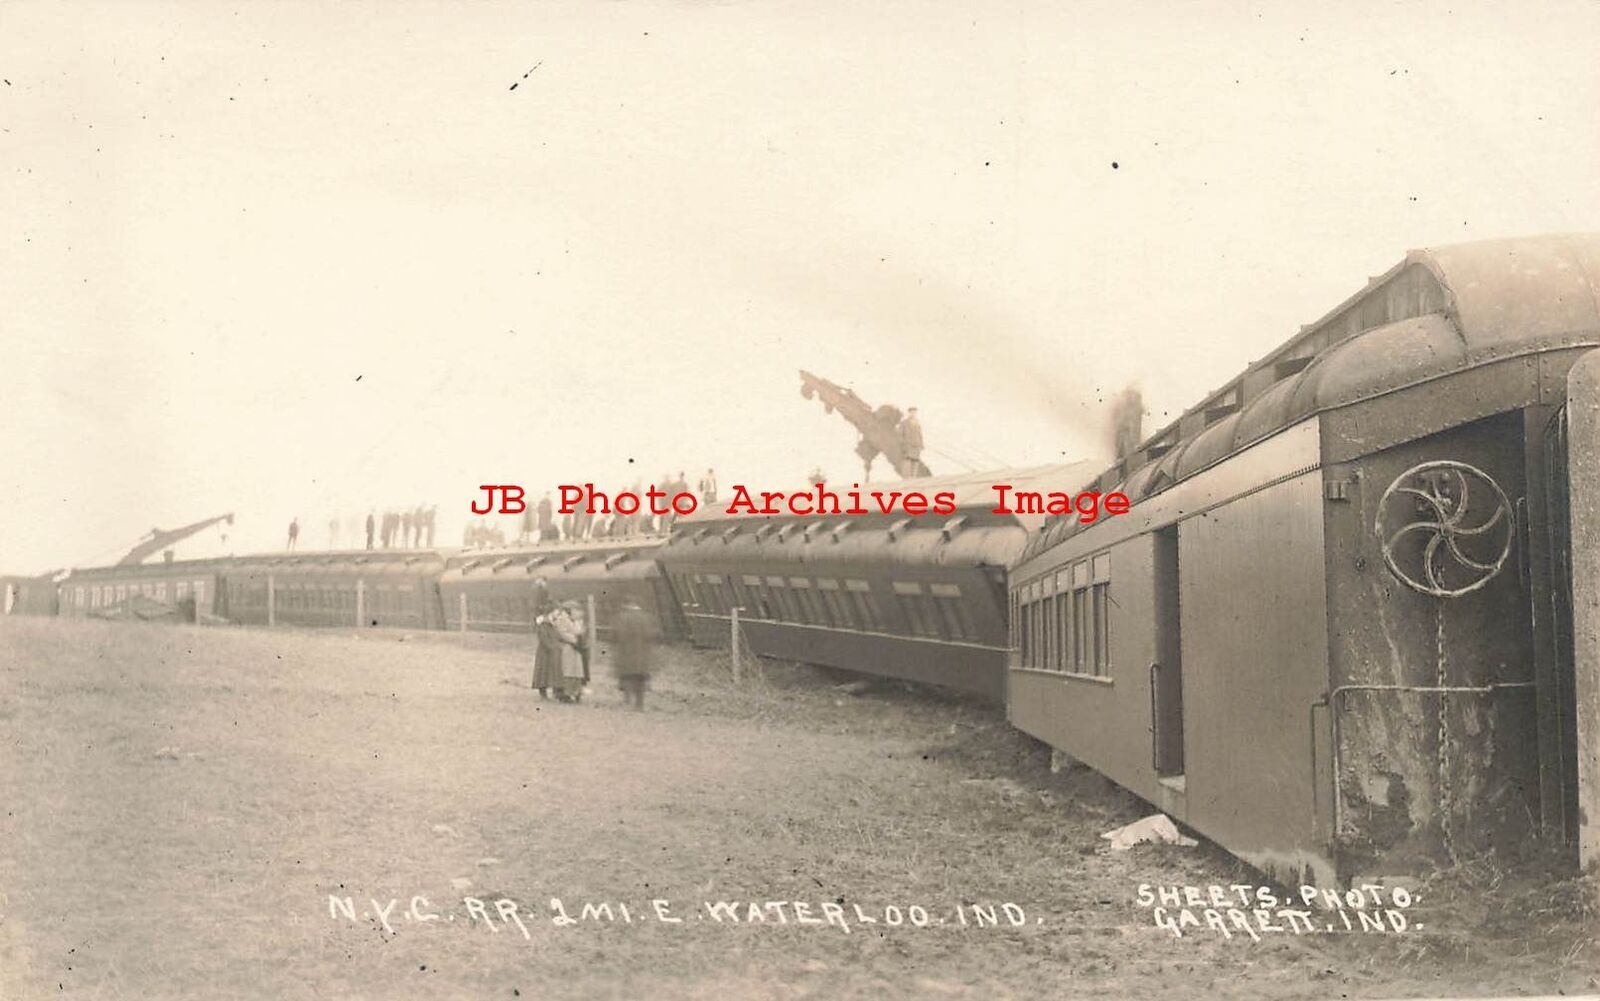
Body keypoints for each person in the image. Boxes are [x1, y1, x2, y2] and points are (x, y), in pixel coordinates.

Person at [611, 599, 655, 711]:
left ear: (626, 604)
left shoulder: (621, 617)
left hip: (626, 652)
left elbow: (615, 635)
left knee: (627, 677)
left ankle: (627, 701)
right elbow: (652, 635)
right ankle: (639, 704)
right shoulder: (647, 617)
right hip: (642, 654)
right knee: (641, 677)